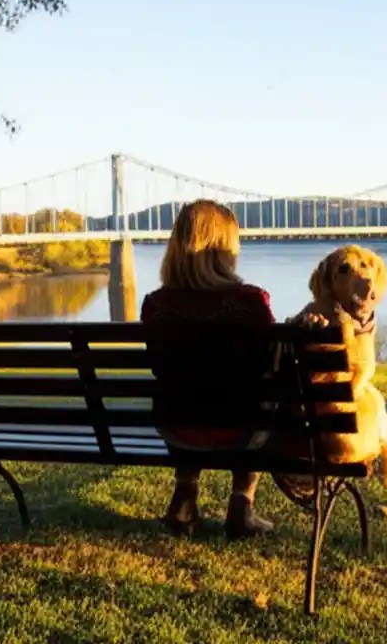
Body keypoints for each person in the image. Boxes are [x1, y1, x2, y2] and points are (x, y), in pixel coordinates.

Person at [139, 199, 276, 539]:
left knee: (185, 393)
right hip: (241, 432)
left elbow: (162, 368)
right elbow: (269, 367)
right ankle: (241, 504)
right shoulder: (251, 302)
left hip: (176, 427)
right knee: (257, 400)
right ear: (224, 249)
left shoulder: (155, 305)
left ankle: (184, 500)